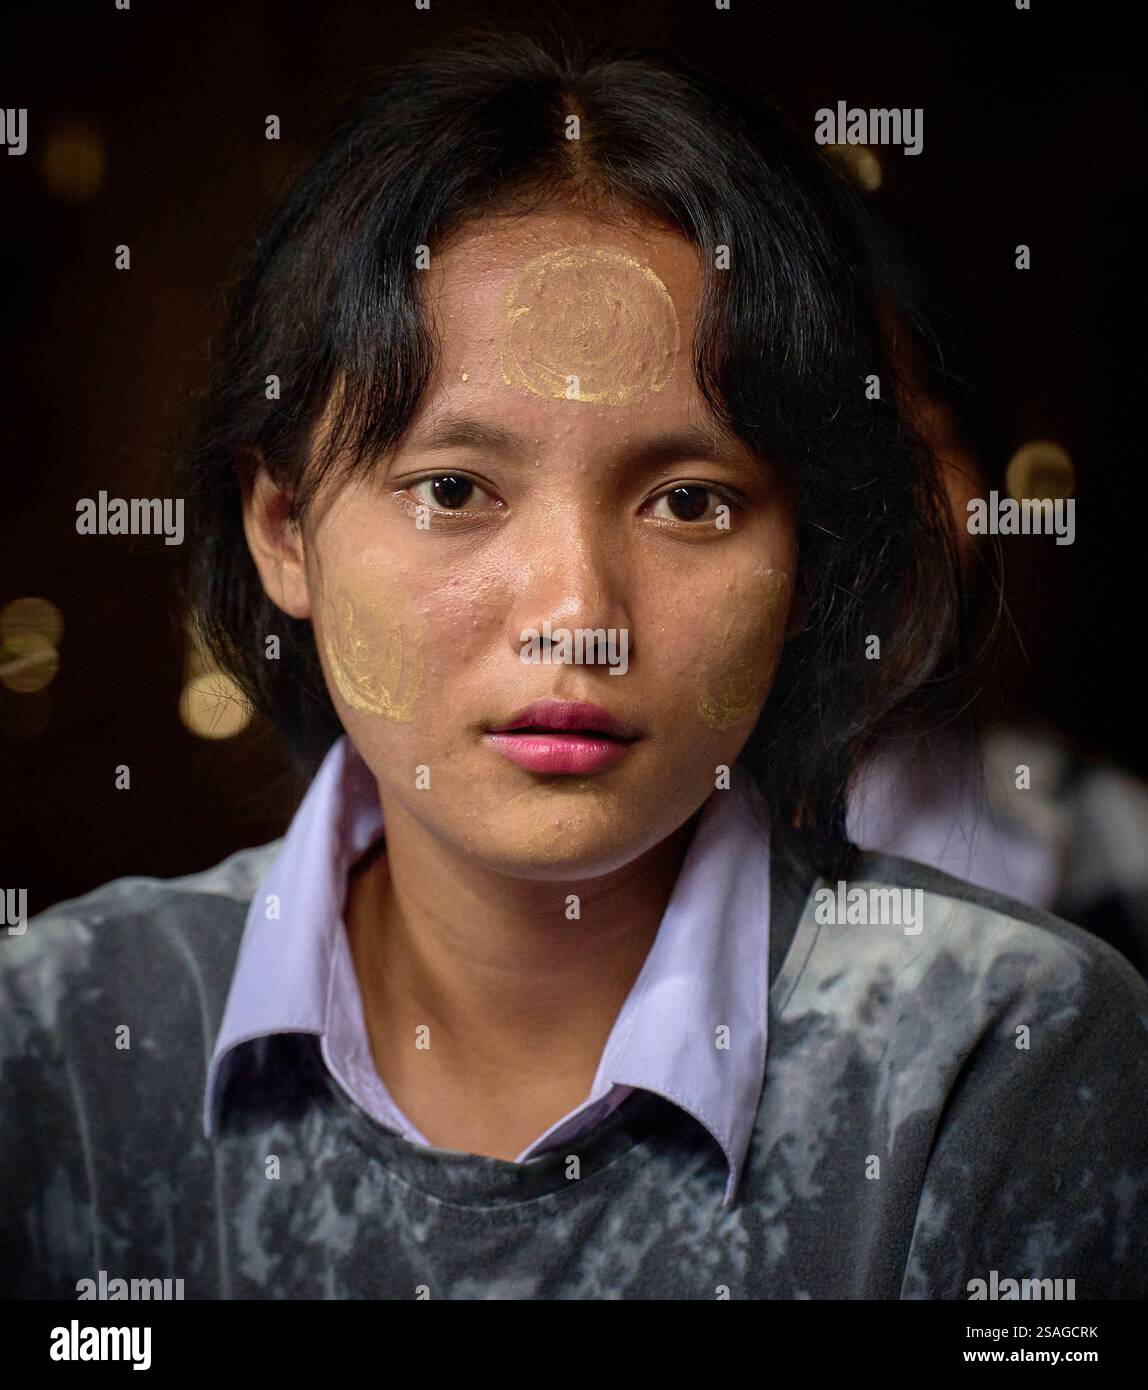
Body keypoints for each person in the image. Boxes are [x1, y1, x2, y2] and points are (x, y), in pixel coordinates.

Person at [3, 34, 1146, 1301]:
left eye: (691, 502)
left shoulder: (1004, 1053)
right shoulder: (61, 1034)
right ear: (283, 530)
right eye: (452, 488)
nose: (577, 618)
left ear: (810, 555)